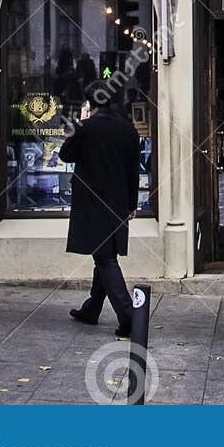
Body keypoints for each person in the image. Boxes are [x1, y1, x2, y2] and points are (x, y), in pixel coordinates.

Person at [59, 85, 141, 338]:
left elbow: (65, 154)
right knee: (104, 253)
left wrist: (79, 126)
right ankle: (92, 309)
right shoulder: (128, 130)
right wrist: (131, 204)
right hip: (117, 202)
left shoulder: (87, 128)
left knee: (104, 258)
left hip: (92, 202)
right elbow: (133, 172)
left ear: (90, 104)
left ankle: (129, 316)